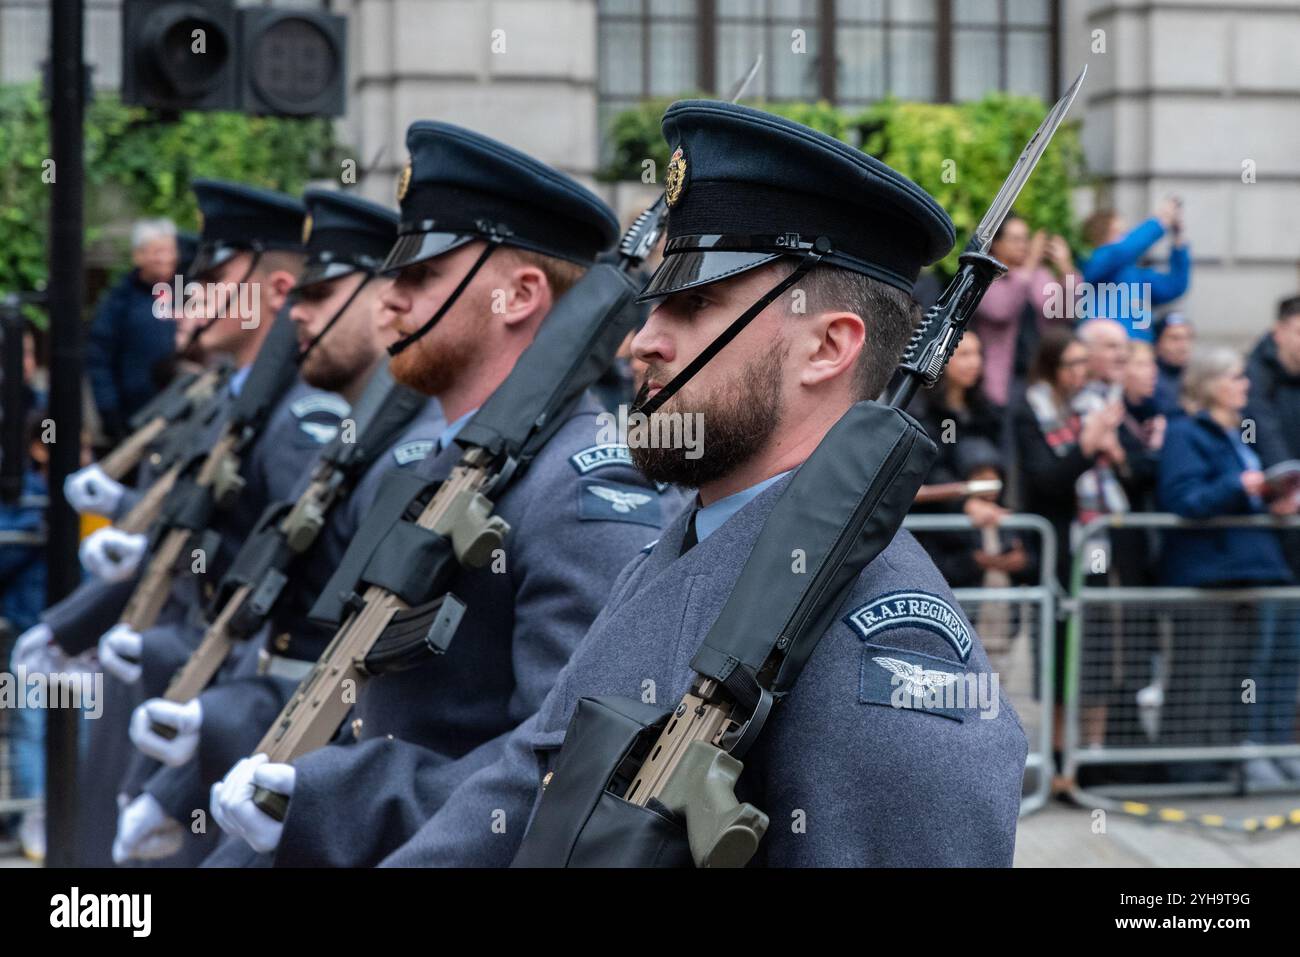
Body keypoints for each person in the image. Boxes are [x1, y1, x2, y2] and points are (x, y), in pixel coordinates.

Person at [374, 100, 1026, 868]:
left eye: (693, 305)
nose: (644, 341)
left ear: (827, 346)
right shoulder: (675, 545)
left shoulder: (884, 642)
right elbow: (525, 784)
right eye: (656, 305)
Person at [204, 121, 681, 867]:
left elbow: (565, 769)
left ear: (520, 294)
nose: (385, 300)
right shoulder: (437, 464)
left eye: (419, 276)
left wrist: (339, 797)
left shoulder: (580, 484)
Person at [111, 189, 450, 865]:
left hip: (346, 788)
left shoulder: (382, 446)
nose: (296, 312)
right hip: (285, 748)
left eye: (322, 296)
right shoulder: (355, 439)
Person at [1157, 347, 1298, 784]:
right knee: (1204, 675)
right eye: (1236, 377)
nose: (1245, 385)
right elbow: (1183, 499)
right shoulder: (1185, 433)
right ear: (1211, 383)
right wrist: (1239, 485)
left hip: (1254, 568)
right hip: (1209, 572)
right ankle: (1192, 769)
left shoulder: (1238, 436)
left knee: (1253, 671)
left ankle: (1240, 756)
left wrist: (1269, 498)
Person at [1011, 326, 1123, 777]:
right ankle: (1058, 762)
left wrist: (1116, 448)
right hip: (1053, 549)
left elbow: (1126, 475)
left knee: (1093, 656)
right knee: (1057, 660)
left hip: (1094, 545)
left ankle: (1086, 760)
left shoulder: (1091, 407)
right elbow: (1048, 482)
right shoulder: (1030, 411)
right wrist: (1087, 446)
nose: (1081, 373)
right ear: (1052, 369)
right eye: (1071, 365)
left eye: (1083, 363)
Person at [86, 219, 181, 442]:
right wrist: (109, 411)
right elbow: (98, 358)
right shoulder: (118, 302)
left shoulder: (185, 293)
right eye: (157, 251)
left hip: (177, 416)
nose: (165, 258)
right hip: (133, 419)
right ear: (138, 256)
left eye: (170, 251)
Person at [968, 213, 1076, 407]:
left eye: (1026, 239)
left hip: (1039, 380)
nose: (1024, 245)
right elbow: (1001, 309)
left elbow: (1065, 313)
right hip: (999, 383)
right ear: (996, 244)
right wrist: (1030, 264)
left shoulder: (1038, 274)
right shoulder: (983, 277)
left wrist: (1066, 268)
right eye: (1016, 239)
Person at [1080, 199, 1190, 342]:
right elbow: (1121, 251)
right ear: (1099, 235)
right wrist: (1160, 221)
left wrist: (1178, 239)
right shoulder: (1093, 262)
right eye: (1118, 232)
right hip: (1106, 348)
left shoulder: (1134, 272)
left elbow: (1174, 286)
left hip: (1137, 353)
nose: (1126, 238)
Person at [1152, 312, 1192, 418]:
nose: (1183, 346)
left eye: (1188, 338)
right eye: (1175, 339)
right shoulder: (1150, 381)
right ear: (1158, 343)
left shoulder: (1196, 376)